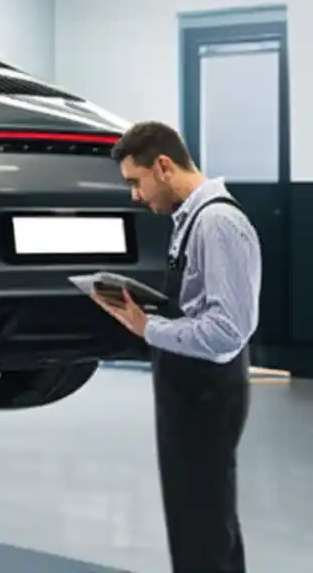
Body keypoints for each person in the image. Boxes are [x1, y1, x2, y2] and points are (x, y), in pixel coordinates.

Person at [89, 120, 261, 573]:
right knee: (197, 518)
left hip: (207, 388)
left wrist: (149, 328)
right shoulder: (190, 219)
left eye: (136, 182)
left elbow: (227, 330)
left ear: (163, 166)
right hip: (189, 388)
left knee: (203, 520)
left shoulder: (218, 223)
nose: (135, 197)